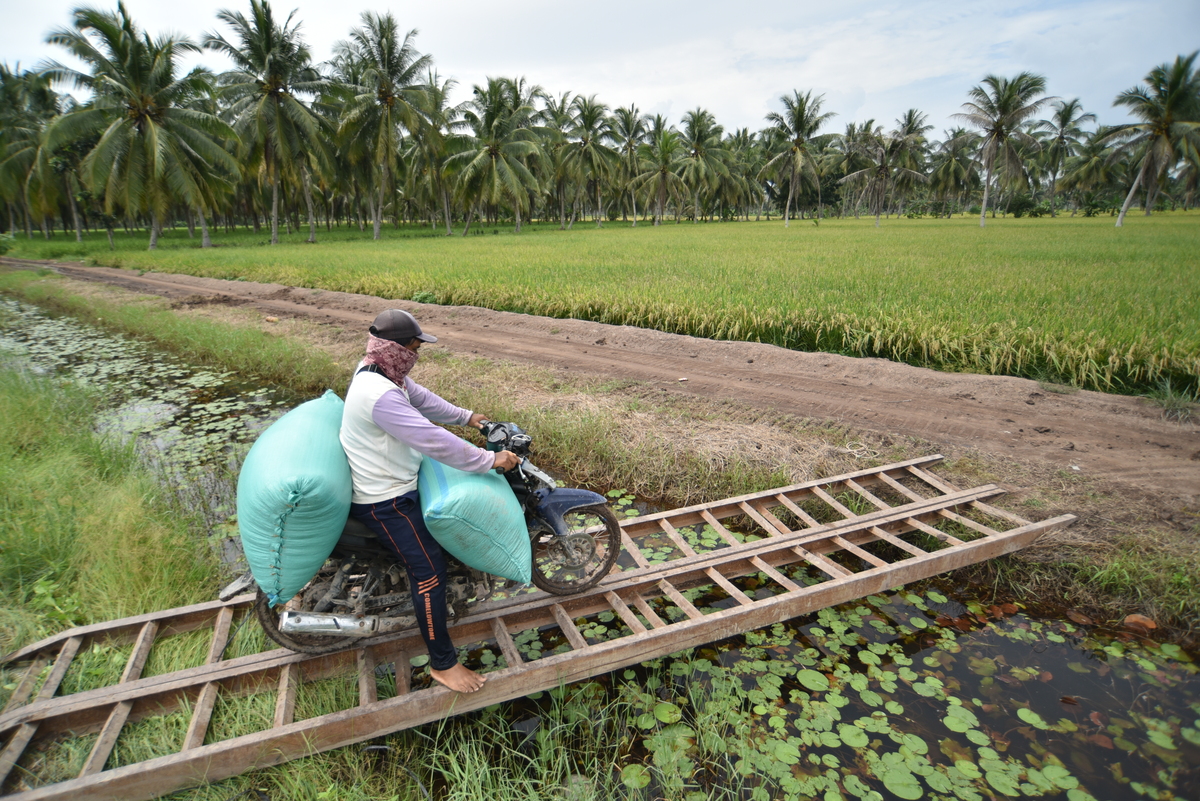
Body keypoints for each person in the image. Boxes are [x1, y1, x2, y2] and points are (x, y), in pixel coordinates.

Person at [339, 308, 520, 693]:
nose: (417, 353)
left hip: (393, 481)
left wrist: (469, 417)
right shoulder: (379, 395)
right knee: (429, 573)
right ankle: (443, 664)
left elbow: (421, 398)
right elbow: (432, 439)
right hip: (384, 500)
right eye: (415, 346)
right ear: (398, 348)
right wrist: (489, 459)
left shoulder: (381, 371)